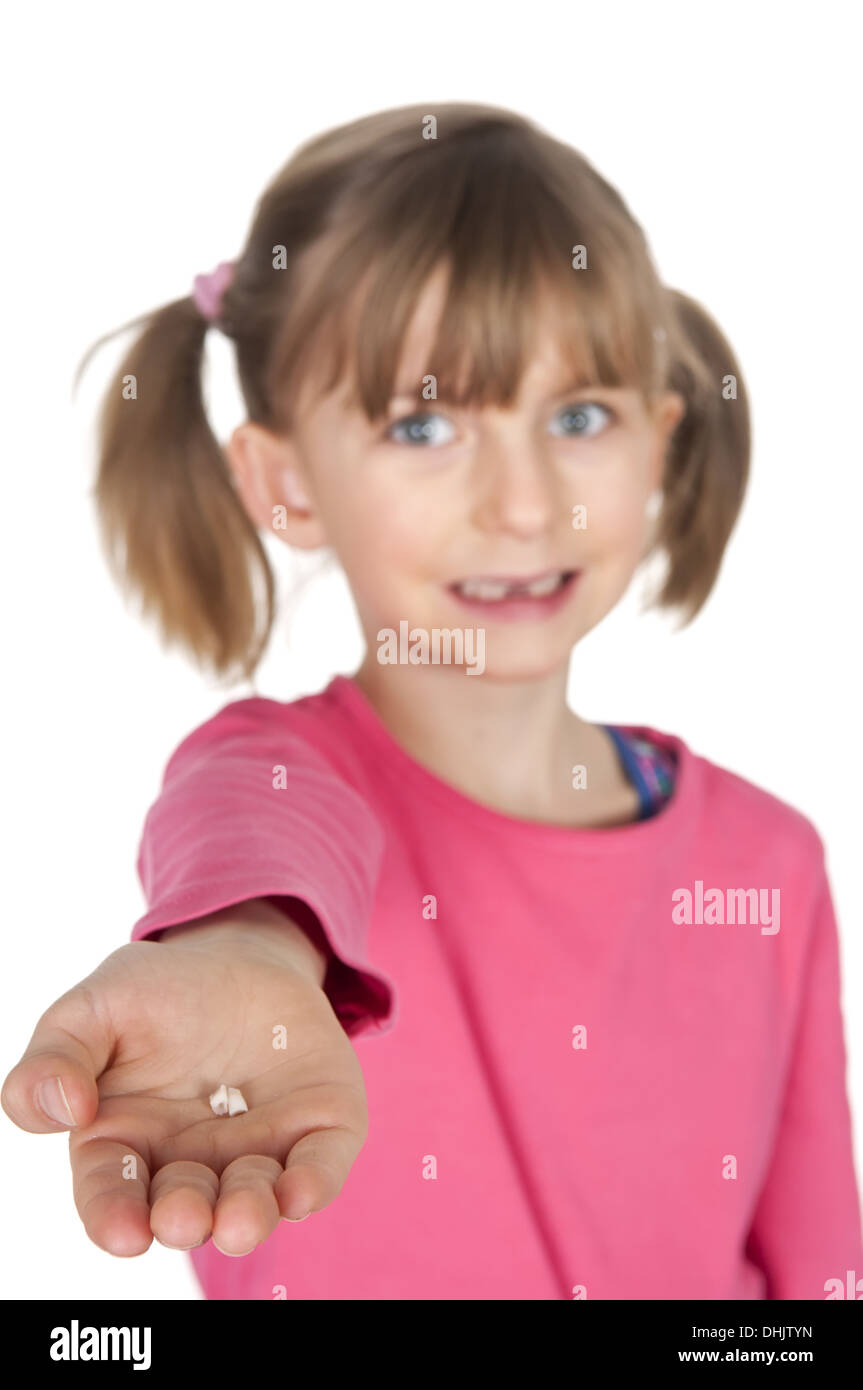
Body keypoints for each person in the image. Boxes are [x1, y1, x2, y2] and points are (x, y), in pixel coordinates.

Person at [4, 102, 861, 1300]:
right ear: (285, 480)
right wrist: (250, 946)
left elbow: (818, 1275)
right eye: (423, 422)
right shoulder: (272, 775)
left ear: (658, 444)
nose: (521, 504)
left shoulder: (770, 861)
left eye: (578, 416)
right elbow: (255, 845)